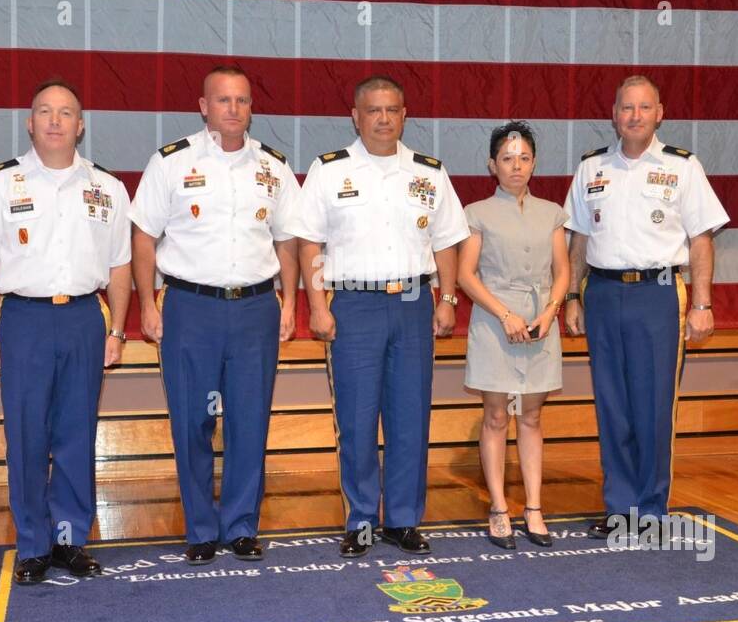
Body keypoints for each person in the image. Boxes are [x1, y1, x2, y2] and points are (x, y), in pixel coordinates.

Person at [292, 76, 469, 558]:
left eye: (392, 109)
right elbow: (309, 241)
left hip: (414, 303)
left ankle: (405, 520)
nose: (384, 119)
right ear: (356, 115)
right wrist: (319, 304)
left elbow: (448, 239)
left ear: (405, 114)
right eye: (373, 110)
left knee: (410, 416)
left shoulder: (429, 172)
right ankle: (363, 519)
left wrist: (448, 298)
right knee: (356, 417)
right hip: (354, 305)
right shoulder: (329, 171)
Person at [0, 78, 132, 585]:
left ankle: (69, 539)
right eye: (45, 111)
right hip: (24, 320)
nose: (55, 120)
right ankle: (33, 544)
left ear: (81, 126)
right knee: (27, 435)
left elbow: (120, 267)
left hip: (85, 318)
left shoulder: (108, 187)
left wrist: (118, 331)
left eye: (65, 112)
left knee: (77, 434)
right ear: (29, 123)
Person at [130, 66, 299, 566]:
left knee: (249, 421)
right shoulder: (170, 163)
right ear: (203, 107)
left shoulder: (273, 167)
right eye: (223, 100)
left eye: (242, 100)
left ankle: (242, 525)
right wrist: (145, 301)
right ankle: (202, 528)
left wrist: (290, 301)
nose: (234, 109)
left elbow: (287, 238)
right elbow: (143, 235)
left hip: (254, 310)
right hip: (190, 307)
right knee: (193, 421)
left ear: (251, 107)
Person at [562, 76, 729, 541]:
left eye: (644, 107)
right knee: (612, 406)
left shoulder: (683, 168)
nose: (634, 115)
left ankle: (651, 511)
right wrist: (573, 296)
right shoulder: (592, 169)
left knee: (654, 407)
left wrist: (702, 303)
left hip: (658, 296)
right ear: (613, 114)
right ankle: (620, 509)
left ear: (660, 113)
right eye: (626, 107)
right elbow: (578, 239)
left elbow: (701, 238)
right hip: (602, 295)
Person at [457, 122, 570, 549]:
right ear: (492, 165)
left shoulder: (552, 211)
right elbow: (466, 275)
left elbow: (563, 270)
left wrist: (551, 310)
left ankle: (535, 508)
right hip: (493, 321)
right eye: (507, 158)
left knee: (533, 417)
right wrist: (505, 314)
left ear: (534, 162)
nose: (516, 166)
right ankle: (499, 507)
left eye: (524, 158)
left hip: (542, 321)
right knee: (496, 416)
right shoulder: (477, 212)